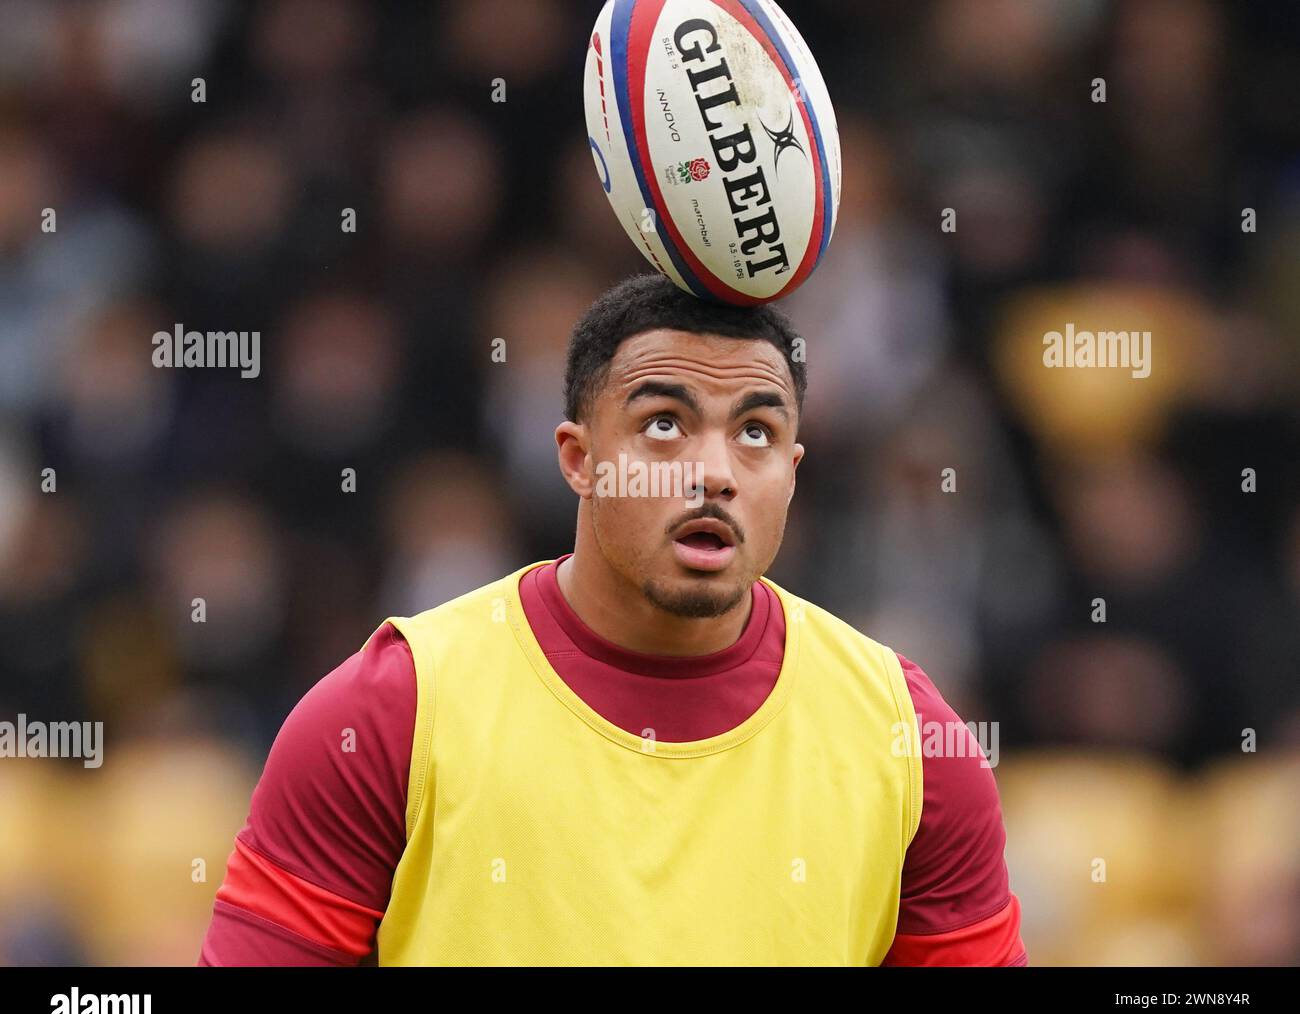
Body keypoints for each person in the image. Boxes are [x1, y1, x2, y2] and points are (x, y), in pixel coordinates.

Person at [197, 273, 1026, 966]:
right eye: (664, 424)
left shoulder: (910, 741)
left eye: (757, 432)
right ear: (579, 459)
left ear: (793, 472)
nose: (714, 473)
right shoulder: (390, 711)